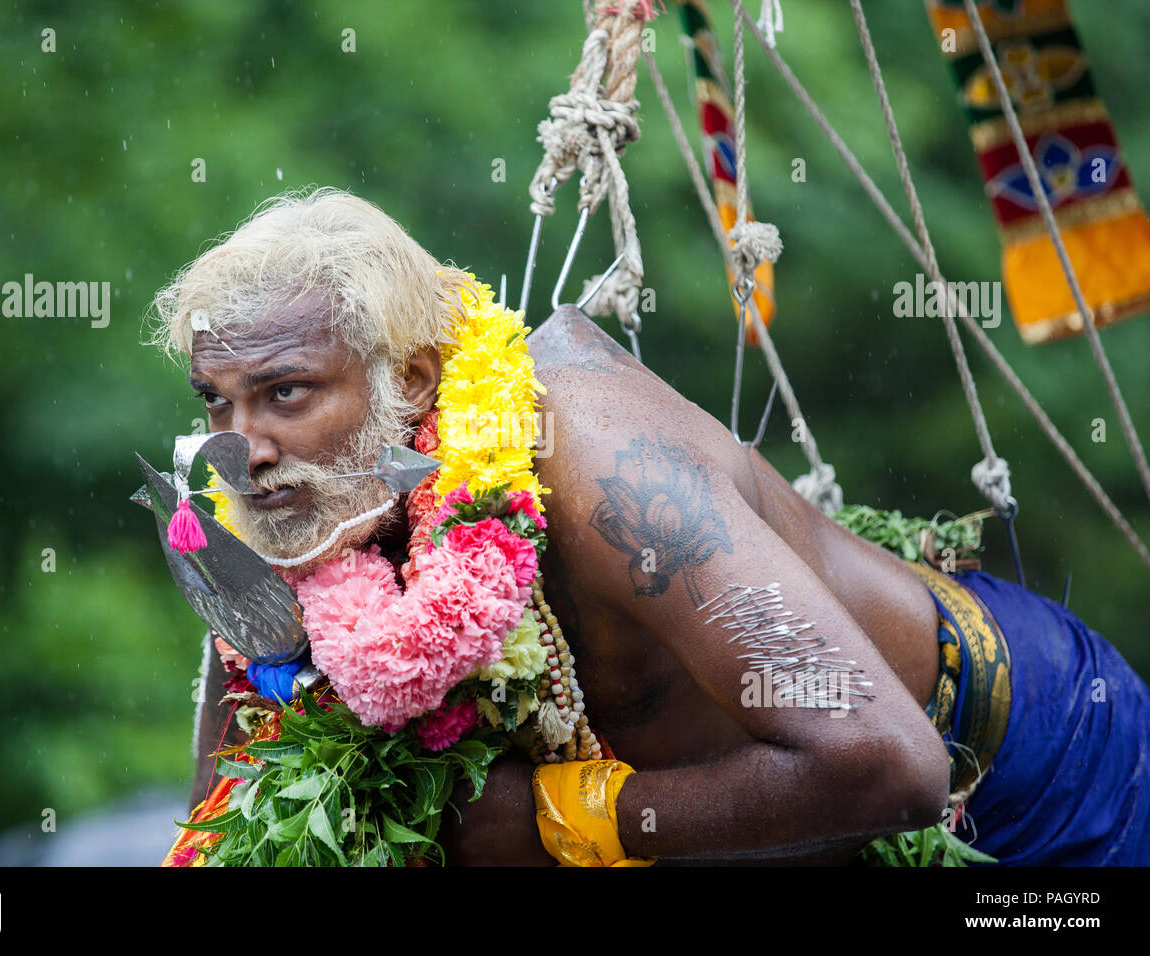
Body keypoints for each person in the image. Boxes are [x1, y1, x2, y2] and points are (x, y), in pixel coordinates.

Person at [149, 186, 1150, 866]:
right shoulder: (289, 499)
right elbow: (220, 823)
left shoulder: (594, 461)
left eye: (285, 393)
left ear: (407, 378)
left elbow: (887, 765)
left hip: (1040, 774)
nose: (246, 444)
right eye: (216, 404)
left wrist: (554, 820)